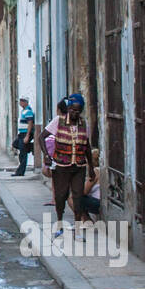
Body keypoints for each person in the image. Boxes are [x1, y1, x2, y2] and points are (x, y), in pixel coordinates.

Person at [43, 93, 91, 226]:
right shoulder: (58, 121)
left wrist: (91, 168)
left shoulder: (83, 124)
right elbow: (42, 137)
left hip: (79, 166)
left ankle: (77, 226)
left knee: (78, 196)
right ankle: (59, 221)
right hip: (61, 165)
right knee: (60, 196)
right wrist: (47, 156)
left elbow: (86, 146)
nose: (75, 113)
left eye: (77, 110)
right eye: (72, 110)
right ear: (68, 109)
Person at [10, 97, 35, 176]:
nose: (20, 103)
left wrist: (27, 136)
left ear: (25, 102)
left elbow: (30, 123)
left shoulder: (28, 111)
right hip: (21, 134)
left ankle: (20, 172)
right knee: (15, 144)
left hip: (25, 134)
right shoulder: (23, 111)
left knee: (23, 154)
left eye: (21, 101)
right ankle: (30, 147)